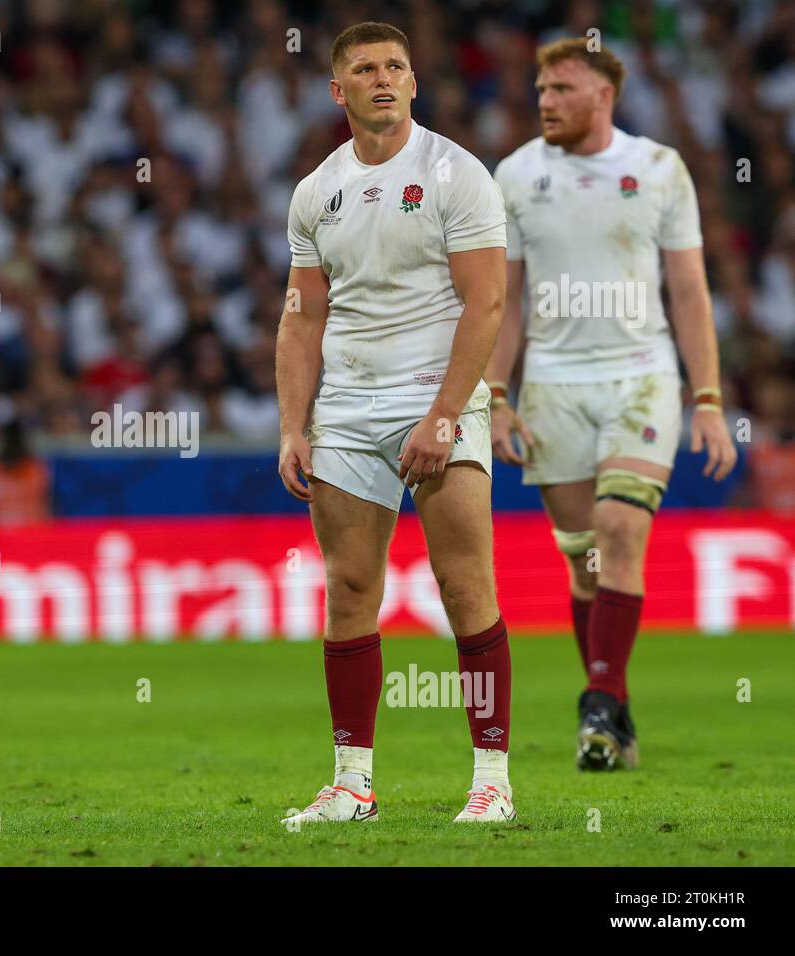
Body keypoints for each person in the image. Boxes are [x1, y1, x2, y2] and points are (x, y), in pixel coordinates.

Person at [277, 22, 514, 824]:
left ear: (415, 82)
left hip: (437, 395)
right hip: (345, 407)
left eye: (397, 67)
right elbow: (301, 319)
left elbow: (486, 301)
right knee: (348, 588)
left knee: (462, 583)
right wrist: (292, 425)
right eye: (366, 69)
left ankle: (491, 782)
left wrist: (445, 414)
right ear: (338, 91)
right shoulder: (316, 190)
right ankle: (352, 784)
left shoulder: (457, 173)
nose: (385, 79)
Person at [487, 38, 737, 771]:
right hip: (555, 386)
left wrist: (709, 397)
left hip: (641, 374)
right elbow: (506, 304)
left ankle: (596, 705)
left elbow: (689, 290)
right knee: (588, 563)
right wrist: (496, 395)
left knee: (620, 528)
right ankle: (614, 711)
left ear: (603, 96)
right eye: (540, 88)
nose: (545, 100)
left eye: (562, 88)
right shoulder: (515, 175)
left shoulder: (658, 168)